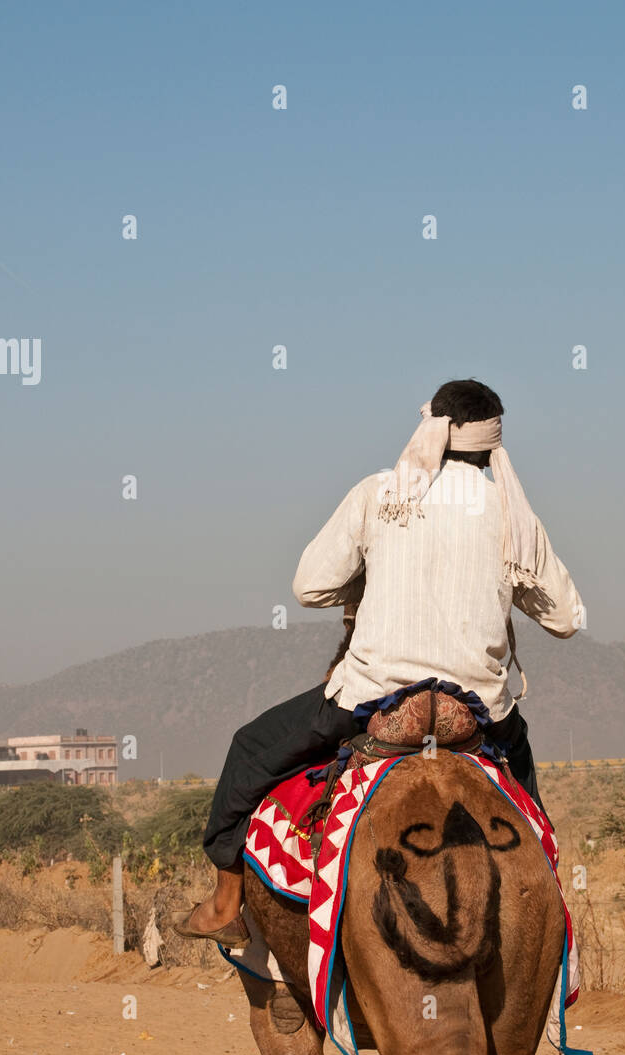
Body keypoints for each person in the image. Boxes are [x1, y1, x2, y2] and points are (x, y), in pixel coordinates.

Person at [173, 379, 583, 944]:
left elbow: (309, 588)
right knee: (527, 798)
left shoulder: (379, 494)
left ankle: (224, 902)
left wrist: (377, 568)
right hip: (479, 709)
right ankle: (544, 911)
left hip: (372, 695)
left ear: (431, 430)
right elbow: (565, 620)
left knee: (250, 747)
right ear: (493, 448)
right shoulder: (512, 515)